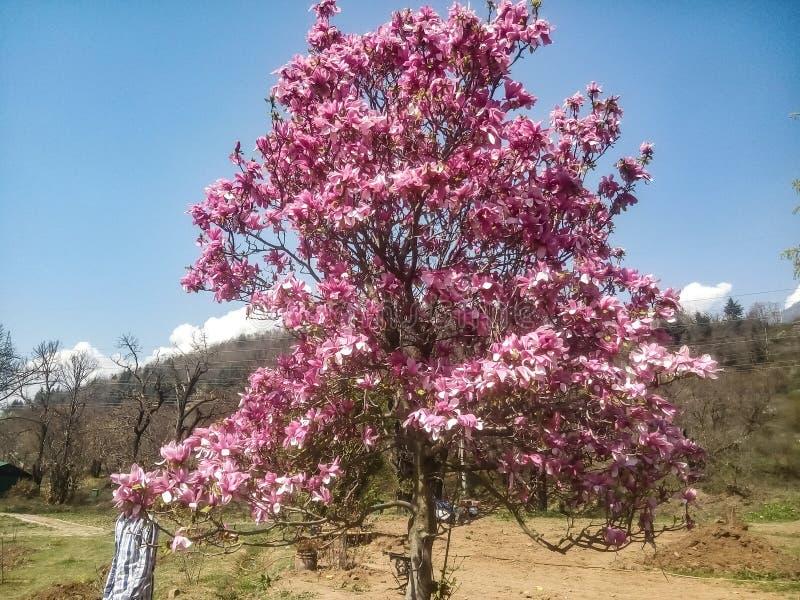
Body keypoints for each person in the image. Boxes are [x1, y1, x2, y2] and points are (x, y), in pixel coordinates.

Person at [102, 513, 159, 600]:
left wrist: (129, 596)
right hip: (115, 594)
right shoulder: (120, 521)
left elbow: (146, 566)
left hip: (135, 596)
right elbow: (116, 561)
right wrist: (107, 593)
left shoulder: (148, 522)